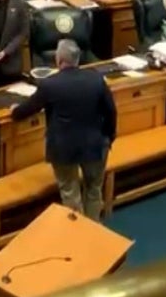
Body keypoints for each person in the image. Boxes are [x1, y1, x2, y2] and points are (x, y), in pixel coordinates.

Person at [10, 39, 117, 221]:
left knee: (70, 192)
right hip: (95, 143)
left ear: (59, 60)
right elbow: (111, 111)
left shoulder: (50, 84)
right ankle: (94, 232)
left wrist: (14, 111)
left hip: (63, 147)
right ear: (78, 60)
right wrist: (108, 137)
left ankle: (78, 235)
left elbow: (26, 110)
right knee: (94, 189)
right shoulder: (96, 79)